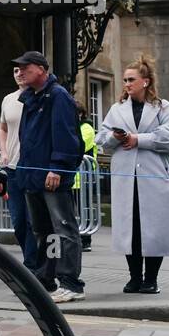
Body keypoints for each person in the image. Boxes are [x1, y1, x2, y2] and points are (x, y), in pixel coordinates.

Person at [95, 56, 169, 294]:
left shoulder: (163, 107)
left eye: (131, 79)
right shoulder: (116, 109)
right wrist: (117, 137)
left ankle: (151, 279)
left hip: (154, 175)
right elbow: (101, 139)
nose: (126, 84)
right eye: (124, 80)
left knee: (154, 228)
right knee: (129, 228)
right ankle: (134, 278)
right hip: (125, 176)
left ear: (145, 81)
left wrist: (138, 139)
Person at [13, 51, 85, 302]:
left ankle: (71, 283)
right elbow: (27, 140)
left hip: (51, 176)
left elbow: (66, 136)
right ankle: (48, 278)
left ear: (42, 69)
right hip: (32, 175)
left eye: (25, 67)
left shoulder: (58, 96)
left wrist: (58, 167)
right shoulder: (30, 98)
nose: (20, 72)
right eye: (18, 68)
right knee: (44, 231)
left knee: (63, 229)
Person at [0, 65, 38, 272]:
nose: (19, 74)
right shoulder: (8, 99)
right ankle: (31, 260)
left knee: (34, 221)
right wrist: (3, 151)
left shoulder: (39, 98)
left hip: (32, 168)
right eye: (14, 71)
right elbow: (3, 128)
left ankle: (33, 265)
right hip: (11, 168)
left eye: (23, 70)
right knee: (19, 221)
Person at [74, 101, 97, 253]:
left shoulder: (86, 128)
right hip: (73, 178)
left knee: (84, 209)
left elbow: (78, 146)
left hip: (83, 177)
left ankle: (85, 240)